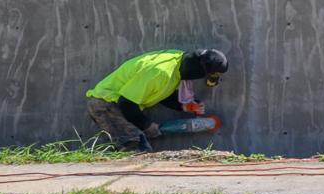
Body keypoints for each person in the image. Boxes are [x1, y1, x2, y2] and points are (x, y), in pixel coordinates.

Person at [85, 49, 227, 151]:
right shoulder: (161, 72)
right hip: (106, 104)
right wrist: (147, 125)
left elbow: (160, 92)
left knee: (136, 146)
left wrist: (185, 106)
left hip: (117, 105)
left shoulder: (176, 64)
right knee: (136, 147)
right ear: (198, 69)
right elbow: (126, 103)